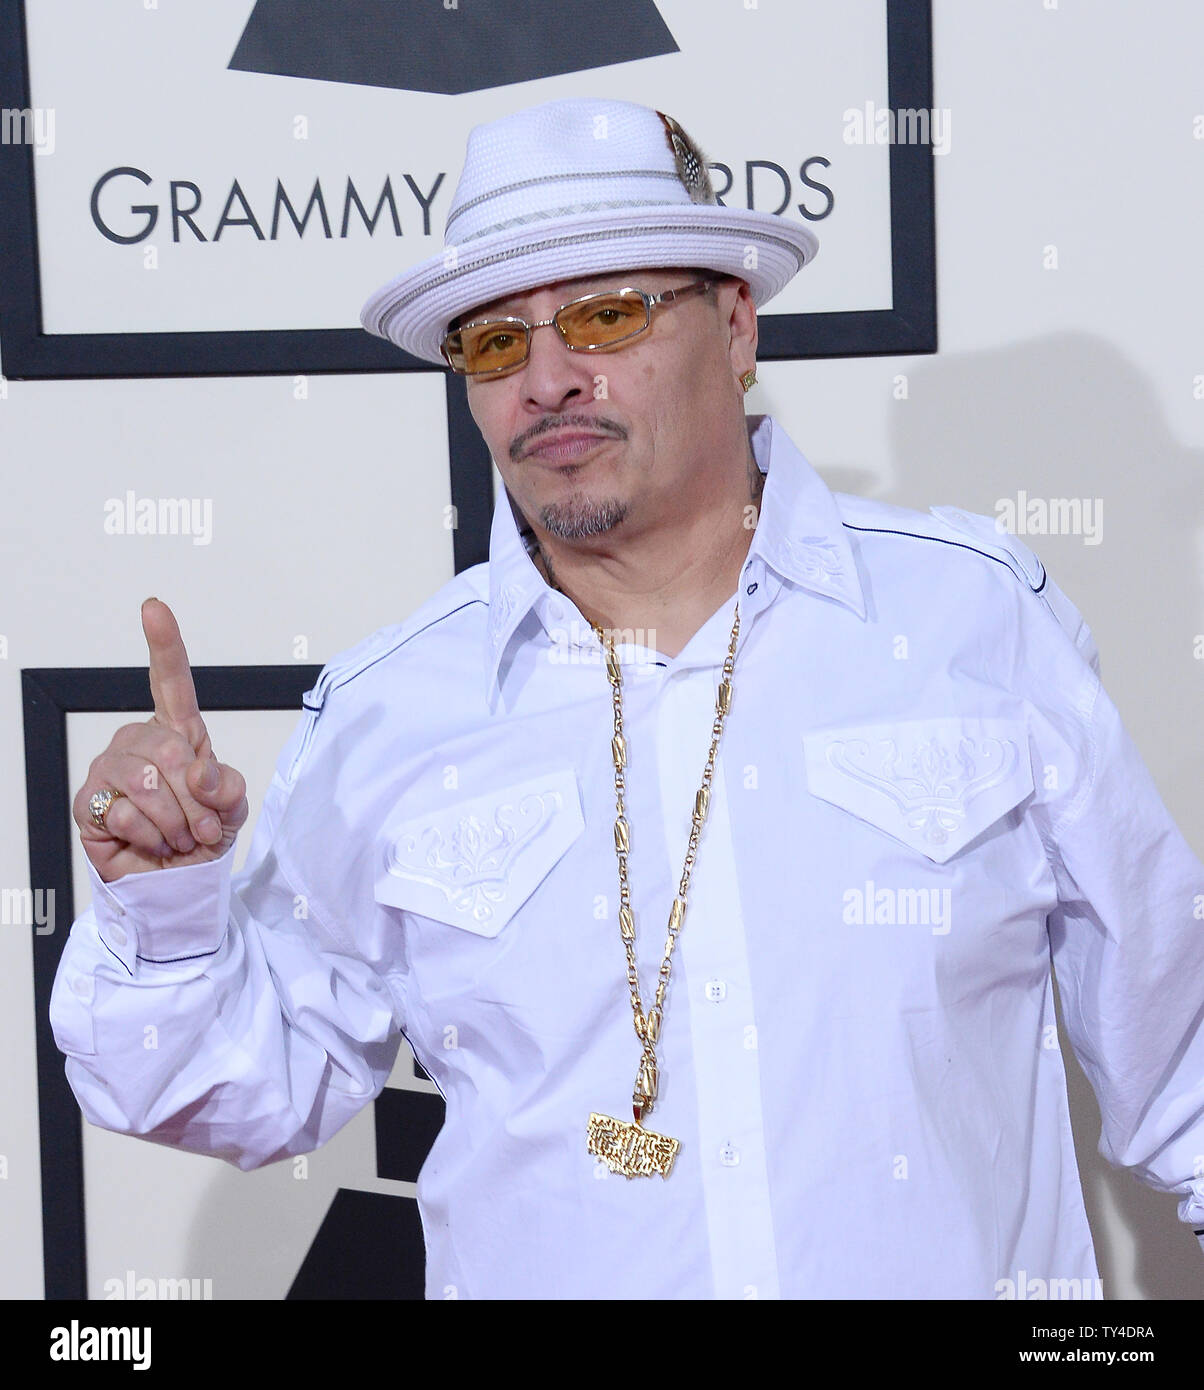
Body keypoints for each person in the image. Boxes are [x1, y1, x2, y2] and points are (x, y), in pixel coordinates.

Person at [52, 97, 1204, 1300]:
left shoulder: (973, 619)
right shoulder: (395, 711)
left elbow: (1178, 1046)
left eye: (605, 316)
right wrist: (166, 908)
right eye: (495, 343)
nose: (547, 379)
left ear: (737, 324)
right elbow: (235, 1087)